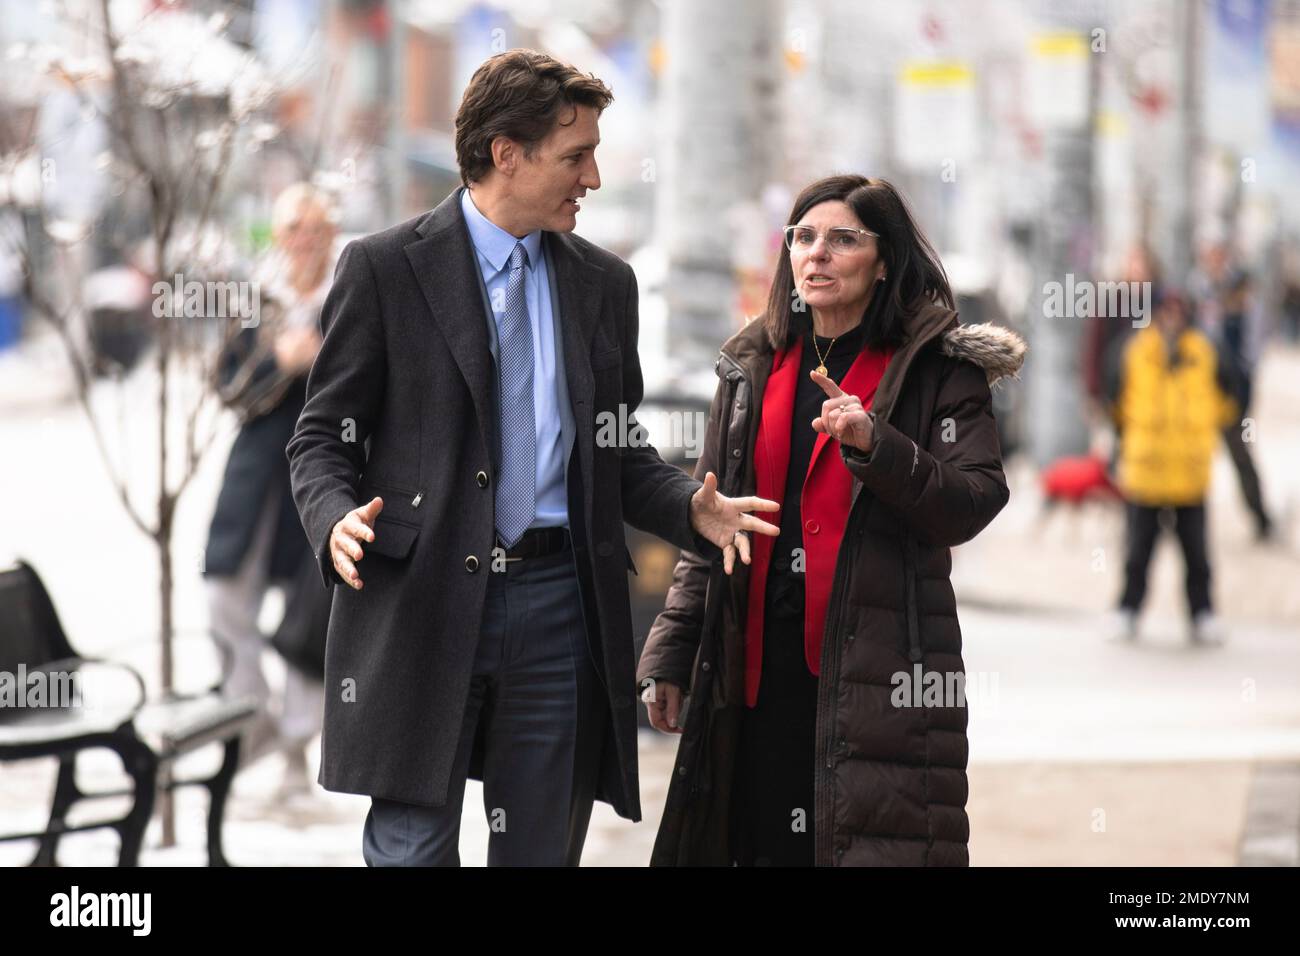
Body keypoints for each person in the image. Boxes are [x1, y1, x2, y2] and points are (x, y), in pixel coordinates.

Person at [285, 49, 778, 866]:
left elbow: (617, 453)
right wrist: (333, 519)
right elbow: (320, 434)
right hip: (420, 602)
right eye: (574, 155)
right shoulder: (383, 268)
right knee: (410, 854)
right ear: (506, 153)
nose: (591, 177)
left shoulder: (603, 285)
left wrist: (690, 507)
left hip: (558, 610)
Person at [637, 175, 1025, 866]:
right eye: (804, 237)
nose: (817, 253)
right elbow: (713, 520)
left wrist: (878, 447)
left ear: (884, 261)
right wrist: (672, 650)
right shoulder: (752, 367)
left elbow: (973, 499)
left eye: (843, 239)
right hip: (755, 675)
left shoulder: (935, 369)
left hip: (875, 675)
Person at [205, 183, 336, 797]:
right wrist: (278, 362)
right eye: (294, 229)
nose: (305, 240)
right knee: (226, 599)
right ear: (279, 237)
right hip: (255, 476)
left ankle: (295, 743)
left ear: (330, 235)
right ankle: (250, 721)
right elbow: (226, 385)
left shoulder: (349, 298)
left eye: (316, 228)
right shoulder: (255, 302)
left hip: (324, 478)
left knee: (310, 616)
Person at [1103, 286, 1238, 644]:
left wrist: (1206, 429)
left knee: (1196, 553)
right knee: (1137, 551)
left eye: (1179, 309)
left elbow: (1231, 395)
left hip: (1189, 473)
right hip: (1146, 472)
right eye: (1166, 309)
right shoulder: (1134, 350)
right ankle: (1127, 610)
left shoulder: (1206, 352)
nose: (1172, 316)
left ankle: (1202, 613)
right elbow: (1114, 398)